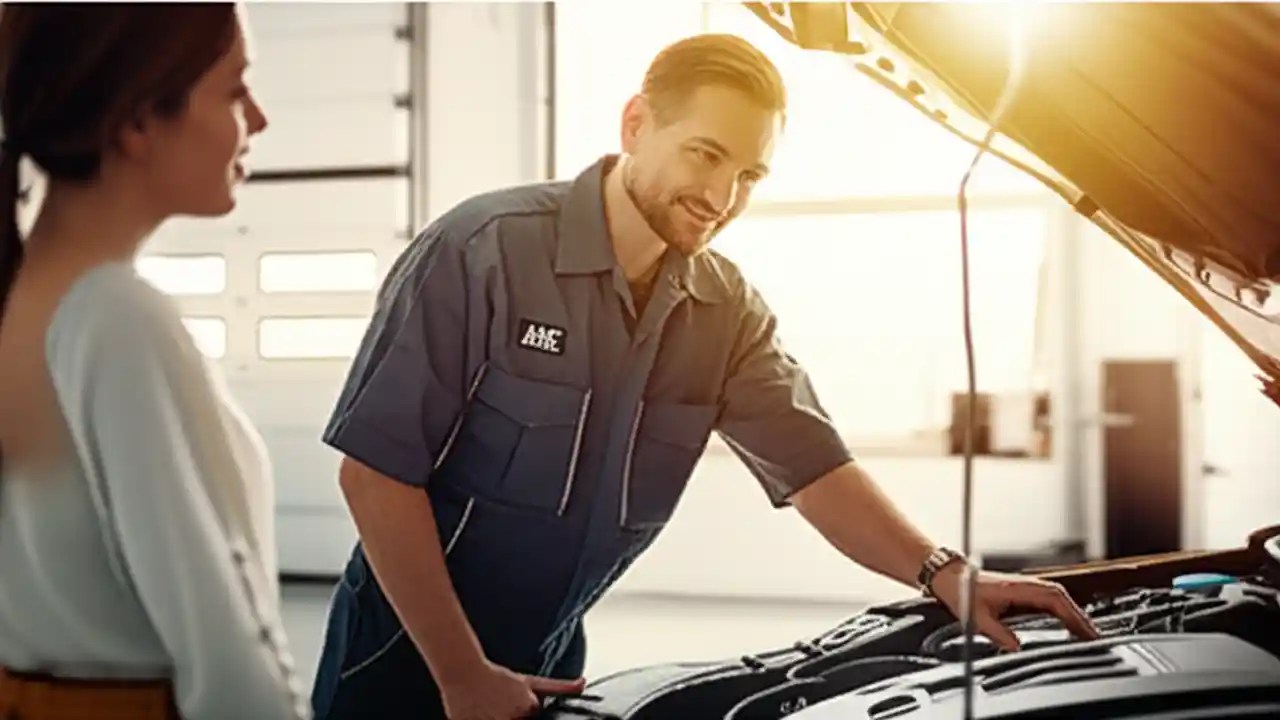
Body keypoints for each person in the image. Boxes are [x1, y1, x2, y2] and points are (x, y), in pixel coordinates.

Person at [311, 32, 1100, 720]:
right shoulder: (481, 250)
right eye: (706, 154)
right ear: (636, 124)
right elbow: (375, 476)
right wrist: (460, 674)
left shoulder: (725, 312)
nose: (723, 198)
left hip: (549, 664)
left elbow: (817, 467)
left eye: (751, 175)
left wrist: (948, 576)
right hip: (403, 664)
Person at [0, 4, 309, 719]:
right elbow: (232, 663)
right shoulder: (118, 320)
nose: (257, 120)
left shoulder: (28, 300)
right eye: (235, 90)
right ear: (139, 122)